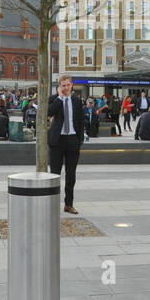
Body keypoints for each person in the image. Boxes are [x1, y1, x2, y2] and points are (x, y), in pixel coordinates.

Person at [47, 74, 85, 215]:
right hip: (57, 141)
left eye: (68, 85)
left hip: (72, 140)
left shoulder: (76, 101)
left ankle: (69, 204)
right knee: (54, 175)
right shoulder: (54, 99)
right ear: (59, 86)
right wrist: (59, 98)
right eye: (63, 85)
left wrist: (79, 140)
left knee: (71, 175)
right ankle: (52, 205)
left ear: (72, 85)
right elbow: (48, 113)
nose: (66, 88)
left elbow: (81, 121)